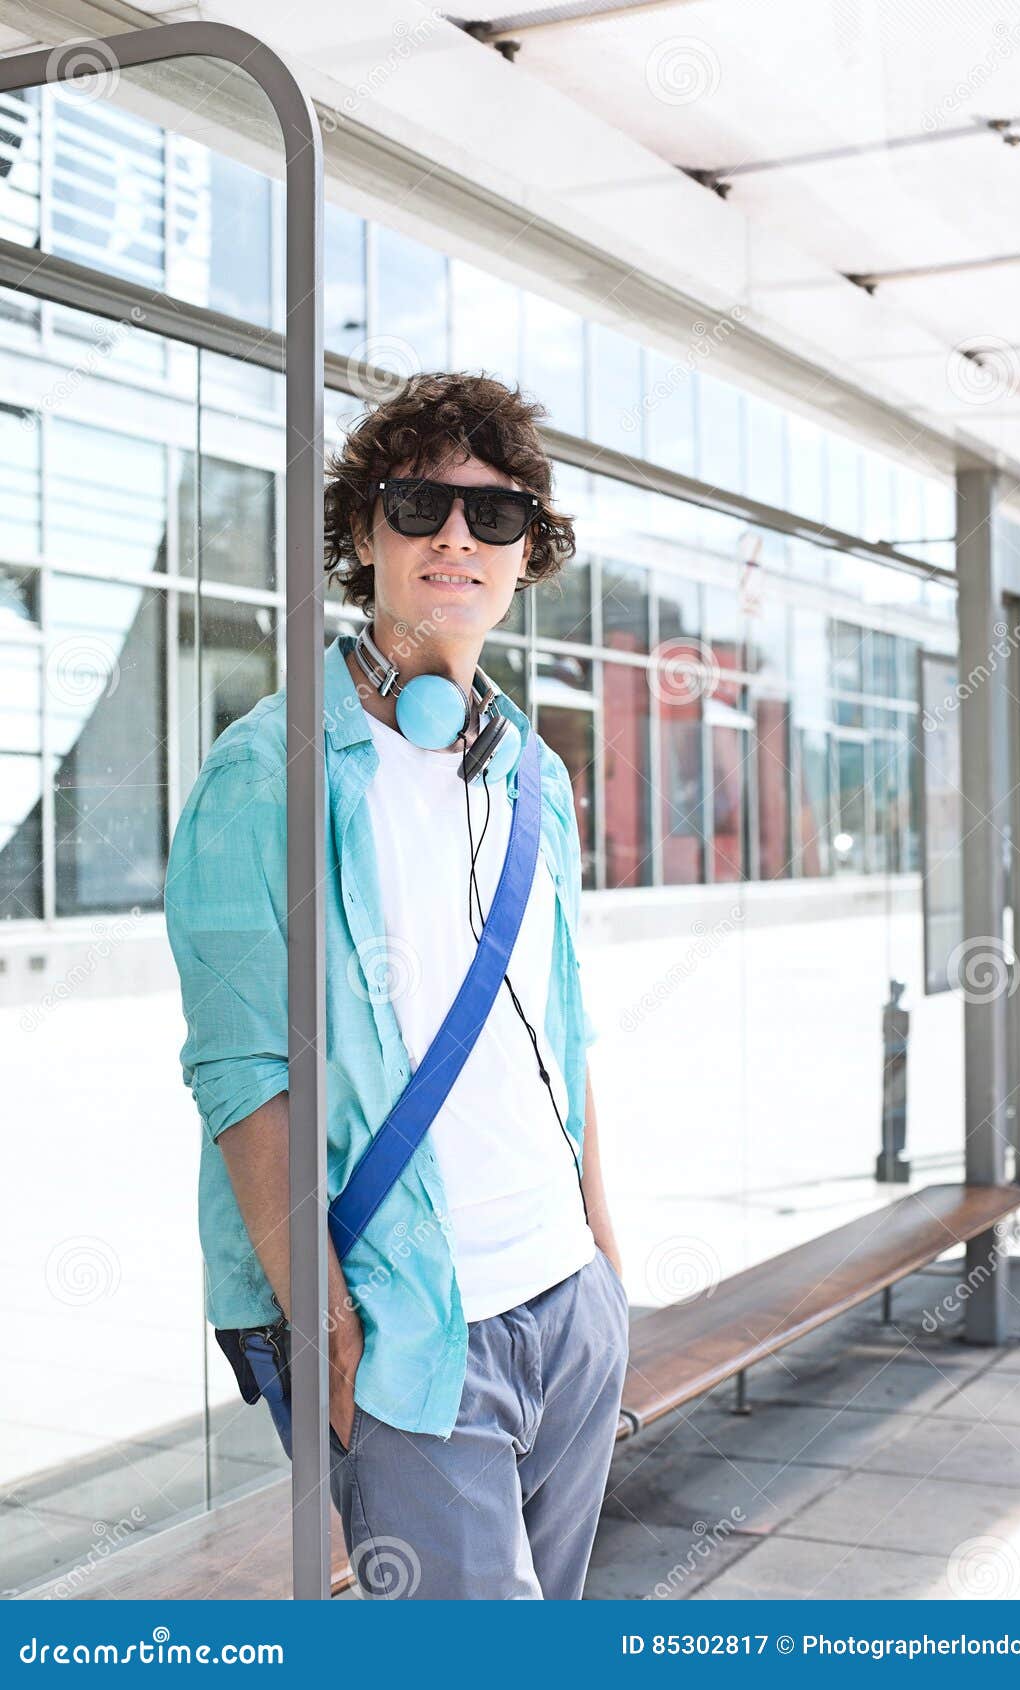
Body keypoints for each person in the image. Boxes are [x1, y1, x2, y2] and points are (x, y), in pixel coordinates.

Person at [164, 371, 629, 1600]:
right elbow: (242, 1076)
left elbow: (563, 1031)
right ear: (361, 534)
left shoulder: (533, 775)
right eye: (417, 504)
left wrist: (607, 1276)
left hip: (566, 1304)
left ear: (529, 552)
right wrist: (321, 1337)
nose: (454, 540)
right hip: (407, 1324)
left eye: (493, 516)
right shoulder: (267, 773)